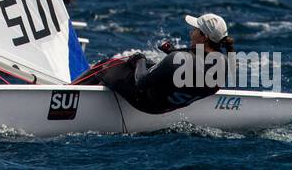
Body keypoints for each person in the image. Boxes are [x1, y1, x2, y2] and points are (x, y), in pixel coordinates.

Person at [76, 13, 236, 115]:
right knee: (150, 63)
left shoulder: (177, 59)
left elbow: (140, 82)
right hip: (168, 106)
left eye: (194, 29)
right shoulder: (223, 64)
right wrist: (173, 53)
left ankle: (70, 92)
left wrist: (139, 60)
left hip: (146, 102)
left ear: (204, 37)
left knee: (107, 65)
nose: (191, 32)